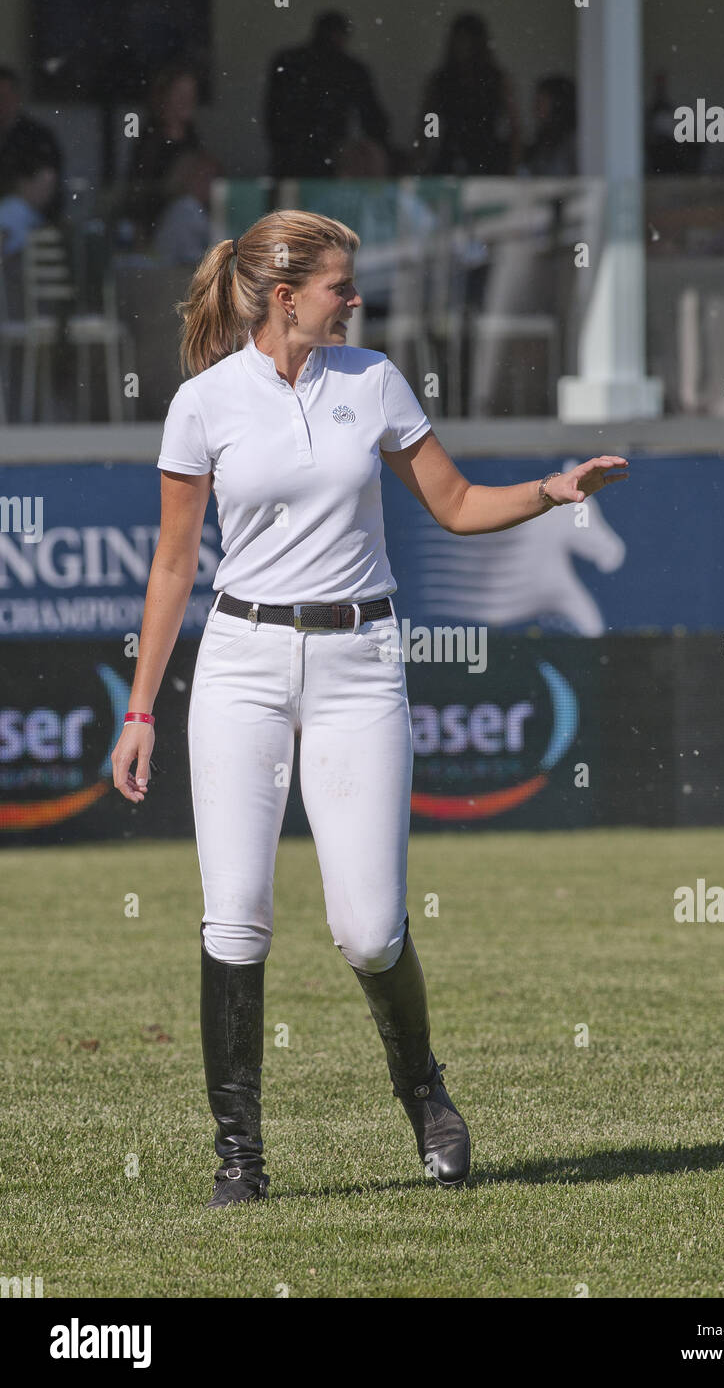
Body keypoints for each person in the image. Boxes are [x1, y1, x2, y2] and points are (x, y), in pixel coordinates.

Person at [110, 209, 628, 1207]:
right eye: (342, 285)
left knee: (369, 929)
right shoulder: (202, 404)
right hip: (241, 665)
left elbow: (456, 503)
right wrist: (138, 713)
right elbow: (174, 564)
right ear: (283, 294)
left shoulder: (374, 379)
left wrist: (555, 489)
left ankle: (422, 1089)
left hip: (360, 658)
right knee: (236, 914)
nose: (356, 299)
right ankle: (239, 1158)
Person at [264, 11, 390, 178]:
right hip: (317, 155)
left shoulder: (290, 62)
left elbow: (273, 113)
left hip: (302, 155)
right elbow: (373, 119)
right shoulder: (349, 69)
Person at [417, 12, 520, 175]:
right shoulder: (441, 80)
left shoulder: (496, 79)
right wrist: (422, 157)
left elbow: (515, 127)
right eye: (458, 40)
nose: (463, 46)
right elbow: (428, 122)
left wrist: (514, 166)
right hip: (450, 154)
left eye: (467, 40)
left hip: (488, 156)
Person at [121, 63, 203, 249]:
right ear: (164, 96)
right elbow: (137, 194)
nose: (187, 100)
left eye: (192, 94)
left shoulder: (195, 141)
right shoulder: (149, 143)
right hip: (158, 234)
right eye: (180, 93)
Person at [0, 66, 63, 221]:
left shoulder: (37, 136)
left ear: (16, 98)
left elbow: (44, 185)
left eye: (3, 97)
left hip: (26, 218)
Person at [520, 76, 576, 177]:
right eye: (536, 101)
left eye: (541, 101)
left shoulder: (573, 140)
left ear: (558, 103)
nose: (535, 107)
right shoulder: (541, 139)